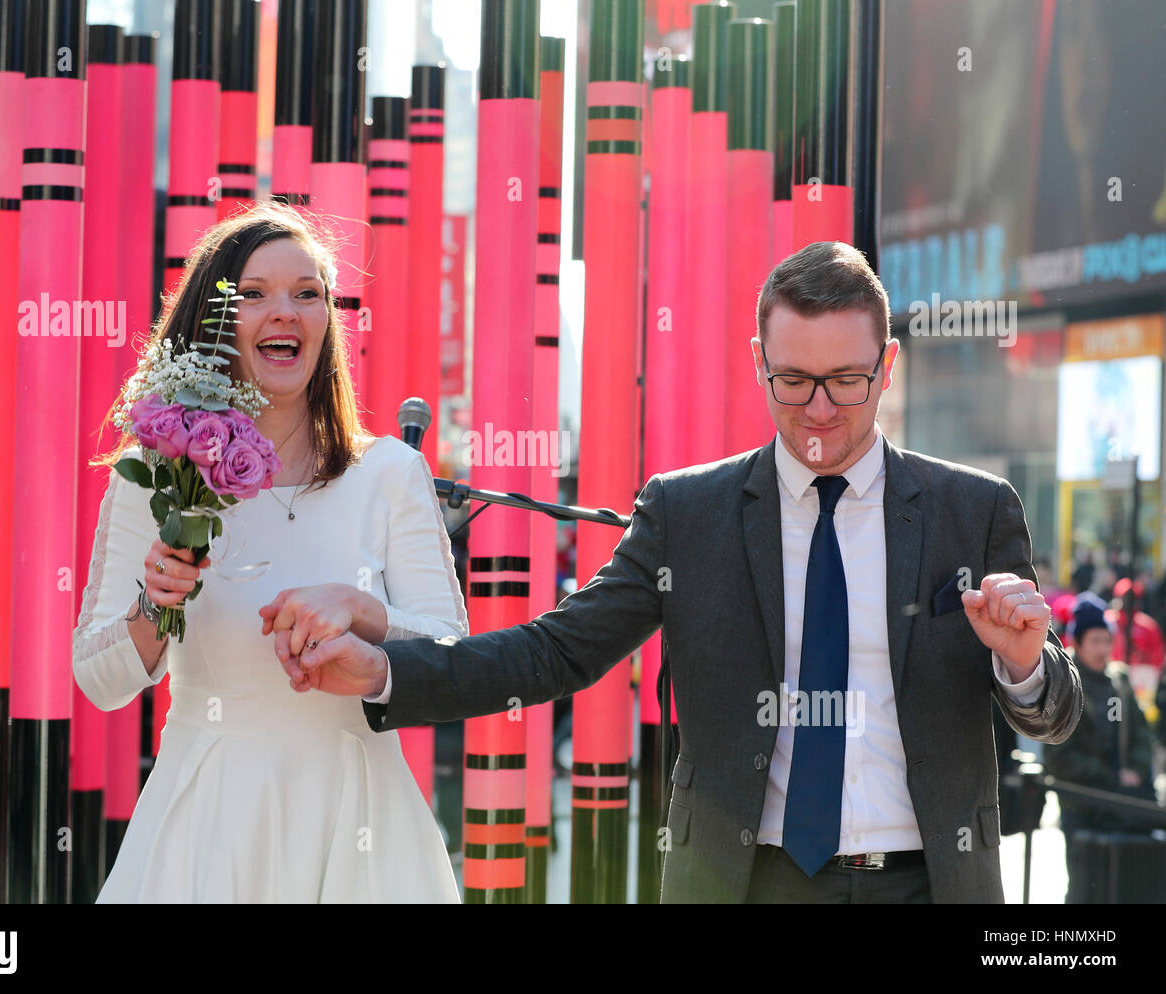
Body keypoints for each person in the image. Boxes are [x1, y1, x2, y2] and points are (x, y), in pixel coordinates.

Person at [276, 240, 1083, 903]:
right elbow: (554, 652)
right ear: (760, 359)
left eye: (848, 380)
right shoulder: (687, 513)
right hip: (745, 883)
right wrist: (385, 670)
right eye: (793, 381)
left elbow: (1055, 714)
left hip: (930, 885)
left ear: (889, 364)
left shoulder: (971, 510)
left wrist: (1019, 663)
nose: (822, 409)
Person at [72, 202, 467, 902]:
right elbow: (100, 681)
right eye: (253, 294)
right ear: (213, 321)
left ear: (328, 324)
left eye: (307, 293)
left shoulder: (390, 473)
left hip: (362, 820)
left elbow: (450, 657)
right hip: (208, 823)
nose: (284, 311)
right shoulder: (158, 474)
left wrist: (361, 614)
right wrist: (152, 604)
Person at [1045, 599, 1157, 902]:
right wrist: (1106, 775)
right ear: (1077, 642)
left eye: (1107, 640)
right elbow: (1058, 755)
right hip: (1082, 804)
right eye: (1095, 641)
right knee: (1085, 885)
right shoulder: (1062, 682)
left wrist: (1134, 769)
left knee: (1128, 883)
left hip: (1122, 803)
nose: (1102, 649)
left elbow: (1140, 736)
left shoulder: (1119, 682)